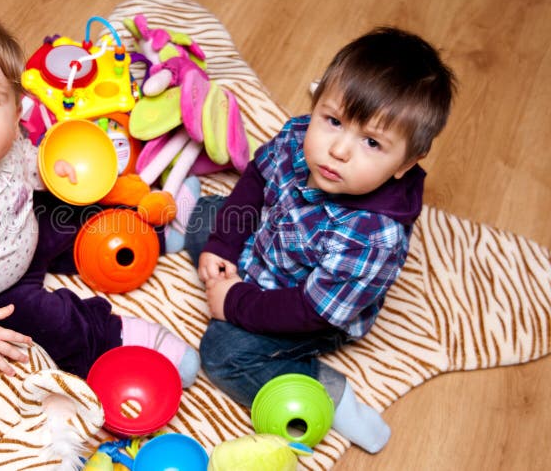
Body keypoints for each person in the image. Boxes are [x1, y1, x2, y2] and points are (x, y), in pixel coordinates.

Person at [0, 7, 199, 387]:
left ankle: (158, 234)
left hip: (23, 228)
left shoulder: (3, 145)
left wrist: (49, 172)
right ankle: (115, 337)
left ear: (17, 111)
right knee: (51, 324)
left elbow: (25, 162)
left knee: (76, 208)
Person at [184, 27, 456, 453]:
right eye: (333, 121)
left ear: (406, 163)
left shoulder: (372, 237)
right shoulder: (300, 138)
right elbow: (257, 178)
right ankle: (189, 242)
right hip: (269, 248)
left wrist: (233, 301)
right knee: (209, 217)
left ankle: (329, 394)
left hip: (312, 309)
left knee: (222, 352)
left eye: (371, 142)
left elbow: (311, 311)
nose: (339, 150)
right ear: (317, 104)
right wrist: (222, 245)